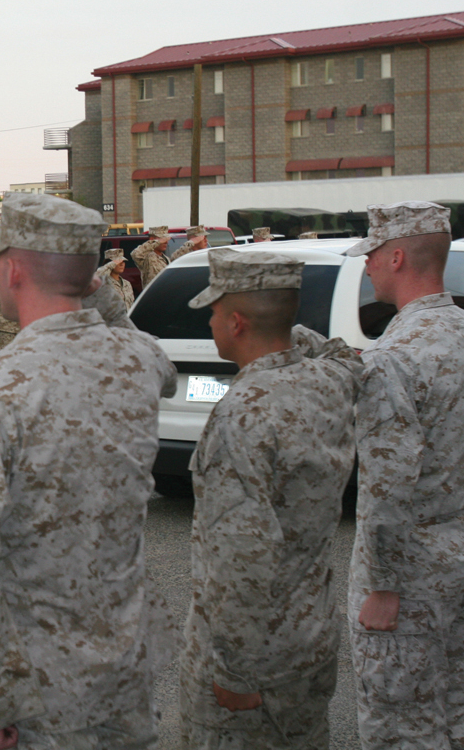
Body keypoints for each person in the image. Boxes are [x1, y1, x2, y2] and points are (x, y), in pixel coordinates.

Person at [0, 194, 178, 750]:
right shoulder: (138, 364)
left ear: (12, 269)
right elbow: (148, 351)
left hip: (41, 687)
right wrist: (99, 294)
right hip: (125, 665)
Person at [180, 248, 362, 749]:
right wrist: (284, 327)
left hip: (256, 663)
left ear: (236, 323)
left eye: (215, 312)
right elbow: (344, 354)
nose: (211, 321)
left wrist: (235, 673)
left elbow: (241, 556)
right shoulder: (328, 381)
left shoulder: (241, 414)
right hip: (310, 639)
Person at [344, 201, 464, 749]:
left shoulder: (393, 357)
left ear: (395, 257)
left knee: (402, 726)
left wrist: (383, 586)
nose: (365, 266)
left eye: (370, 254)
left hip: (411, 580)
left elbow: (387, 482)